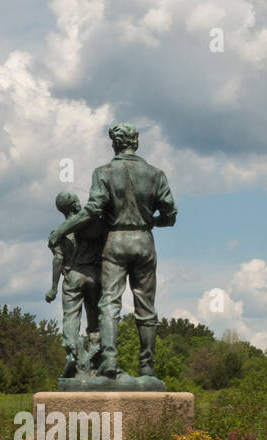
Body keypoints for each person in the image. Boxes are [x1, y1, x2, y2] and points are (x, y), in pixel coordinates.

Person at [48, 123, 176, 379]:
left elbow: (92, 210)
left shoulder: (103, 172)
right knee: (146, 307)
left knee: (109, 302)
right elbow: (170, 216)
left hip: (116, 241)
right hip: (143, 241)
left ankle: (108, 359)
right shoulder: (156, 174)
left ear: (115, 144)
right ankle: (147, 367)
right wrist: (150, 222)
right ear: (136, 143)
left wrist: (62, 229)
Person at [46, 191, 106, 378]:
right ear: (73, 206)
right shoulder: (92, 226)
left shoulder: (58, 232)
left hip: (72, 277)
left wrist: (54, 287)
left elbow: (58, 260)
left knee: (71, 317)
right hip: (94, 275)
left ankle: (74, 355)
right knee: (95, 319)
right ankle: (95, 358)